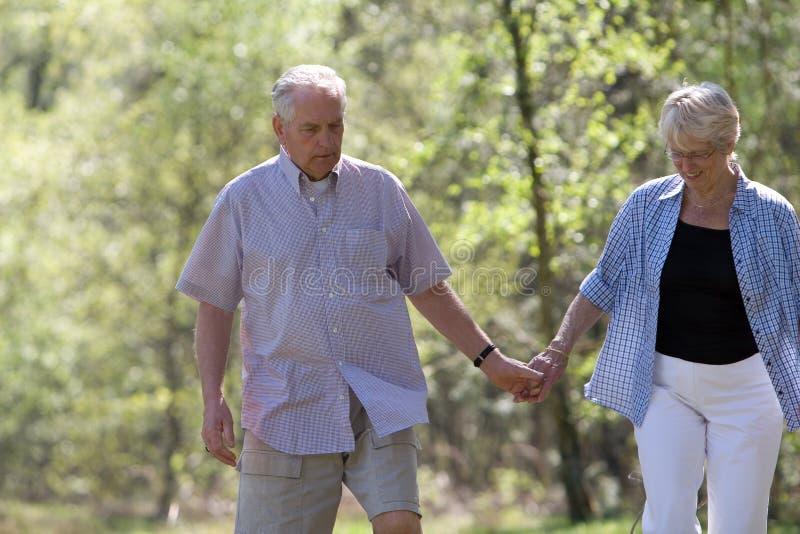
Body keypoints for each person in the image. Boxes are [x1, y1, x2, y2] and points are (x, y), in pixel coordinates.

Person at [176, 64, 543, 534]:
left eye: (336, 126)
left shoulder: (381, 191)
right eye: (311, 129)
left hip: (379, 397)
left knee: (399, 526)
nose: (326, 141)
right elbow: (214, 304)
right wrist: (213, 399)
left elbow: (428, 287)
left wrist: (490, 361)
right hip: (287, 408)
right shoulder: (242, 201)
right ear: (279, 129)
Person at [528, 82, 800, 534]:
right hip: (663, 384)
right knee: (668, 519)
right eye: (676, 153)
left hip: (748, 389)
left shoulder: (772, 213)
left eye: (697, 155)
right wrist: (558, 350)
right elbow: (604, 282)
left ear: (728, 145)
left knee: (740, 526)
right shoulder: (646, 206)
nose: (685, 167)